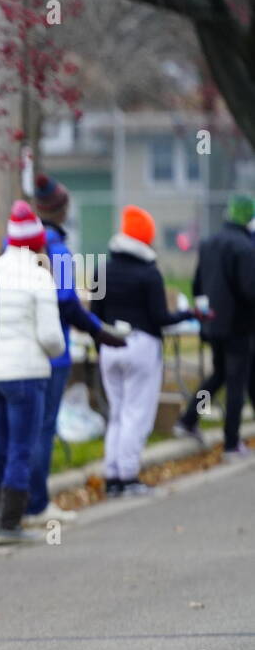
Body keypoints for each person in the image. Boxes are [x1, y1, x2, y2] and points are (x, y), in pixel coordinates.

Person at [25, 174, 127, 525]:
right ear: (62, 209)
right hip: (54, 352)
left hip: (23, 351)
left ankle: (17, 505)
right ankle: (37, 504)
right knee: (43, 427)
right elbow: (68, 304)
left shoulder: (21, 246)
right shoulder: (59, 250)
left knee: (24, 428)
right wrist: (100, 332)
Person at [91, 206, 194, 495]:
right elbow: (160, 318)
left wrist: (99, 342)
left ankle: (111, 476)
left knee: (117, 413)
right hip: (141, 347)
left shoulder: (101, 269)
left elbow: (95, 314)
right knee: (136, 414)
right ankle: (128, 476)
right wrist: (189, 315)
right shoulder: (150, 274)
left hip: (110, 347)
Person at [0, 201, 65, 544]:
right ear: (36, 242)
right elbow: (50, 336)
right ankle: (10, 524)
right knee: (20, 448)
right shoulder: (40, 276)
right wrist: (57, 353)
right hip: (28, 375)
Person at [175, 194, 255, 458]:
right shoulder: (244, 247)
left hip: (212, 323)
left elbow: (198, 283)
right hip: (238, 326)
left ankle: (188, 419)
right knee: (236, 383)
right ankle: (232, 443)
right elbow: (249, 289)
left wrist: (205, 314)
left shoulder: (209, 243)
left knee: (218, 374)